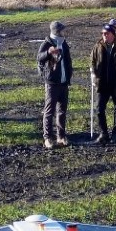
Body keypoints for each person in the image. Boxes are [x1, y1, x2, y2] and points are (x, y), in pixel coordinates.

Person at [89, 21, 116, 145]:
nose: (104, 35)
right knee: (99, 109)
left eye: (106, 33)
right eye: (103, 33)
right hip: (102, 83)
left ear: (113, 34)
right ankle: (103, 133)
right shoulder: (98, 46)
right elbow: (92, 61)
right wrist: (93, 73)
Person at [37, 20, 72, 149]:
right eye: (62, 30)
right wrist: (49, 53)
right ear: (57, 31)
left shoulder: (64, 43)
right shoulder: (47, 43)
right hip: (51, 83)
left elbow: (68, 60)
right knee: (49, 111)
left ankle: (61, 136)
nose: (64, 32)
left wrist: (69, 75)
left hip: (64, 83)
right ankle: (47, 138)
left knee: (62, 111)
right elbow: (39, 57)